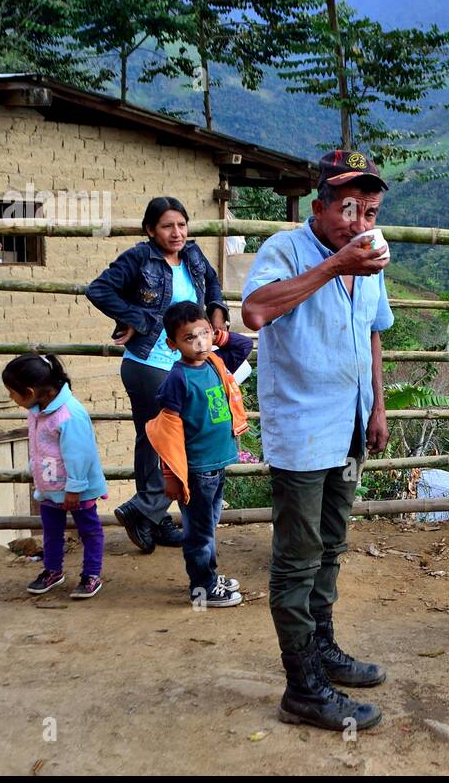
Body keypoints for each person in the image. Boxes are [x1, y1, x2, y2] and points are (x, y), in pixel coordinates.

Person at [241, 148, 394, 732]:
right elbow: (255, 313)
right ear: (320, 205)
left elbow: (375, 333)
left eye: (371, 211)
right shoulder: (284, 251)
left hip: (350, 424)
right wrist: (336, 267)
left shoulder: (372, 256)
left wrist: (378, 406)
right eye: (350, 209)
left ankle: (324, 650)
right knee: (297, 559)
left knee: (332, 544)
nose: (361, 223)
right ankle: (302, 687)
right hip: (303, 433)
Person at [86, 197, 230, 554]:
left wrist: (216, 311)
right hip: (149, 363)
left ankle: (153, 515)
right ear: (151, 230)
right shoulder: (139, 258)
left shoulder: (193, 255)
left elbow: (211, 283)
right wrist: (138, 318)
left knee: (166, 442)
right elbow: (98, 289)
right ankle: (144, 509)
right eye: (167, 226)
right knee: (158, 440)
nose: (176, 233)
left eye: (181, 225)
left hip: (184, 365)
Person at [145, 302, 254, 609]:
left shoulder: (214, 364)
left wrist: (219, 336)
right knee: (199, 531)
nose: (200, 343)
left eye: (204, 334)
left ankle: (208, 575)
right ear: (172, 344)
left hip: (217, 464)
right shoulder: (178, 378)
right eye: (189, 338)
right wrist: (170, 475)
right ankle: (202, 588)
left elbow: (244, 344)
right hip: (196, 469)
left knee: (208, 524)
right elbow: (167, 431)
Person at [3, 353, 108, 600]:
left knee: (89, 531)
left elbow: (79, 455)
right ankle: (52, 571)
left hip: (77, 488)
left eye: (12, 392)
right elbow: (40, 448)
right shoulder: (36, 411)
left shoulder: (69, 415)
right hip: (50, 487)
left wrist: (74, 489)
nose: (11, 398)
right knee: (51, 531)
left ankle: (91, 574)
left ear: (29, 392)